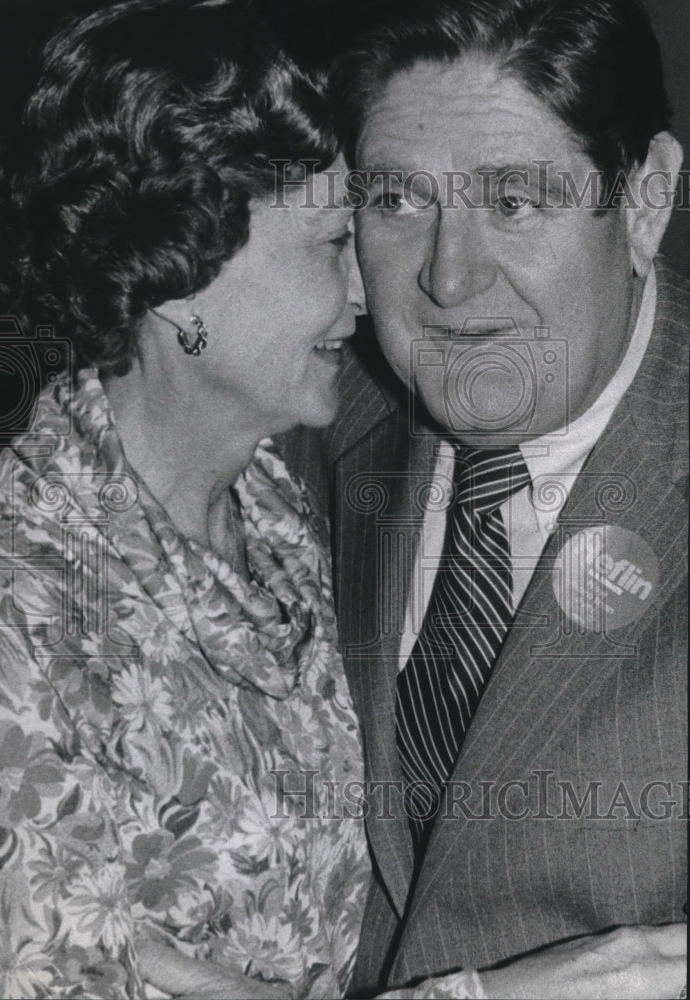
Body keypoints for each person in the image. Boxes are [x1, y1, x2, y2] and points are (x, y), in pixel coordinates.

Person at [282, 0, 688, 996]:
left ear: (645, 200)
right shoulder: (306, 424)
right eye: (398, 202)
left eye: (513, 200)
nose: (448, 280)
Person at [0, 2, 374, 997]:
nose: (366, 291)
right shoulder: (20, 608)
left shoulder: (280, 502)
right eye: (331, 243)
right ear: (176, 281)